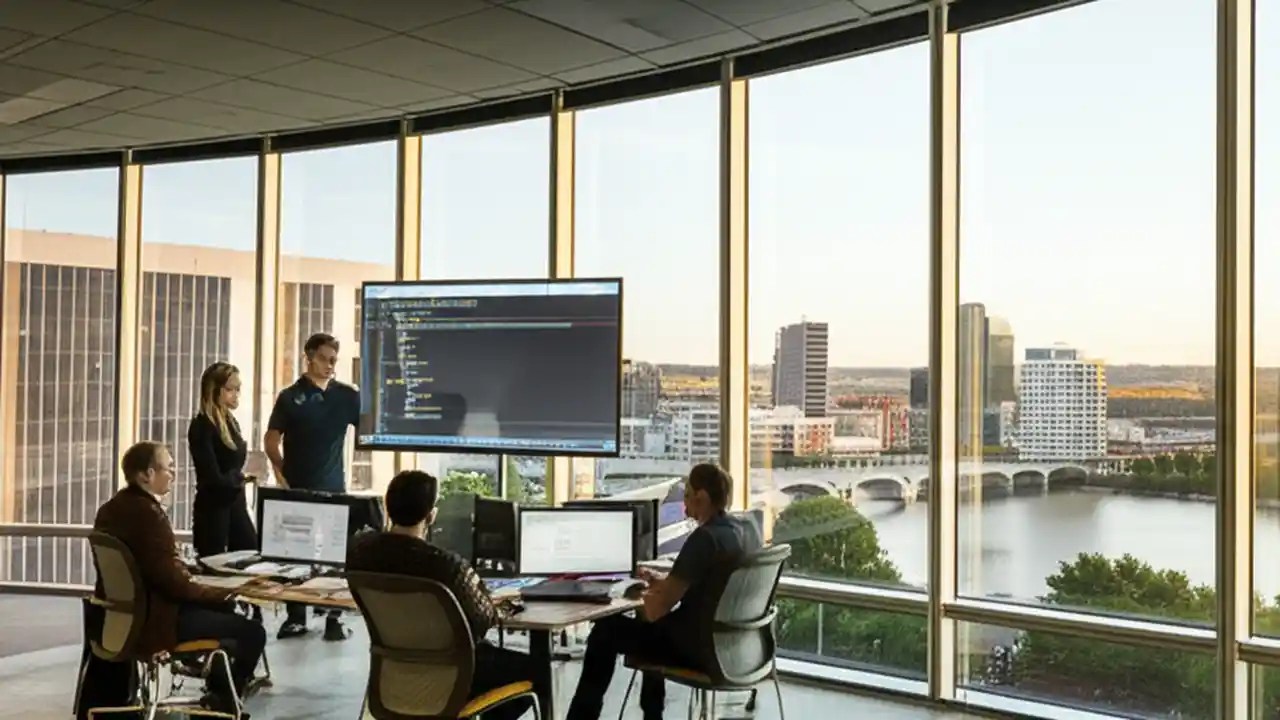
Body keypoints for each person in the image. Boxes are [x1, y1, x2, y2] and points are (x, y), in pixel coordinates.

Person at [566, 463, 762, 720]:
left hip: (698, 651)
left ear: (701, 497)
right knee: (653, 633)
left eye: (688, 496)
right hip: (737, 649)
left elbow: (655, 611)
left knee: (605, 632)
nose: (684, 504)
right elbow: (703, 583)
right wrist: (662, 582)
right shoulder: (741, 530)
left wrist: (629, 593)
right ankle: (652, 714)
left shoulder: (703, 539)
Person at [346, 470, 542, 719]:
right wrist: (496, 606)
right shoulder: (447, 567)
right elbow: (481, 621)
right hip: (453, 673)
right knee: (536, 670)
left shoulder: (361, 556)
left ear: (388, 508)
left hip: (394, 672)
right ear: (431, 515)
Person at [93, 441, 266, 718]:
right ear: (147, 474)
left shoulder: (111, 509)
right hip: (159, 620)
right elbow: (174, 583)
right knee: (252, 631)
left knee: (226, 613)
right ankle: (220, 701)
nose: (173, 474)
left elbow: (152, 567)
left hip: (124, 618)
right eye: (168, 468)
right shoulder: (149, 516)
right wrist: (222, 593)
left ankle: (217, 692)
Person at [263, 332, 360, 640]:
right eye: (324, 359)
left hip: (333, 486)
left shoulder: (346, 395)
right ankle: (295, 616)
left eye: (334, 360)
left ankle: (334, 617)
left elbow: (367, 428)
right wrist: (281, 470)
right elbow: (270, 439)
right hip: (298, 486)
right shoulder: (290, 396)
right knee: (294, 554)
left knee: (335, 555)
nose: (330, 365)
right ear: (309, 357)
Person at [188, 362, 258, 558]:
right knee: (216, 566)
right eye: (230, 389)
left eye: (238, 389)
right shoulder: (202, 426)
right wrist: (240, 478)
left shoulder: (230, 422)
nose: (236, 394)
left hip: (235, 504)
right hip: (213, 511)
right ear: (215, 390)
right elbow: (211, 477)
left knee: (251, 553)